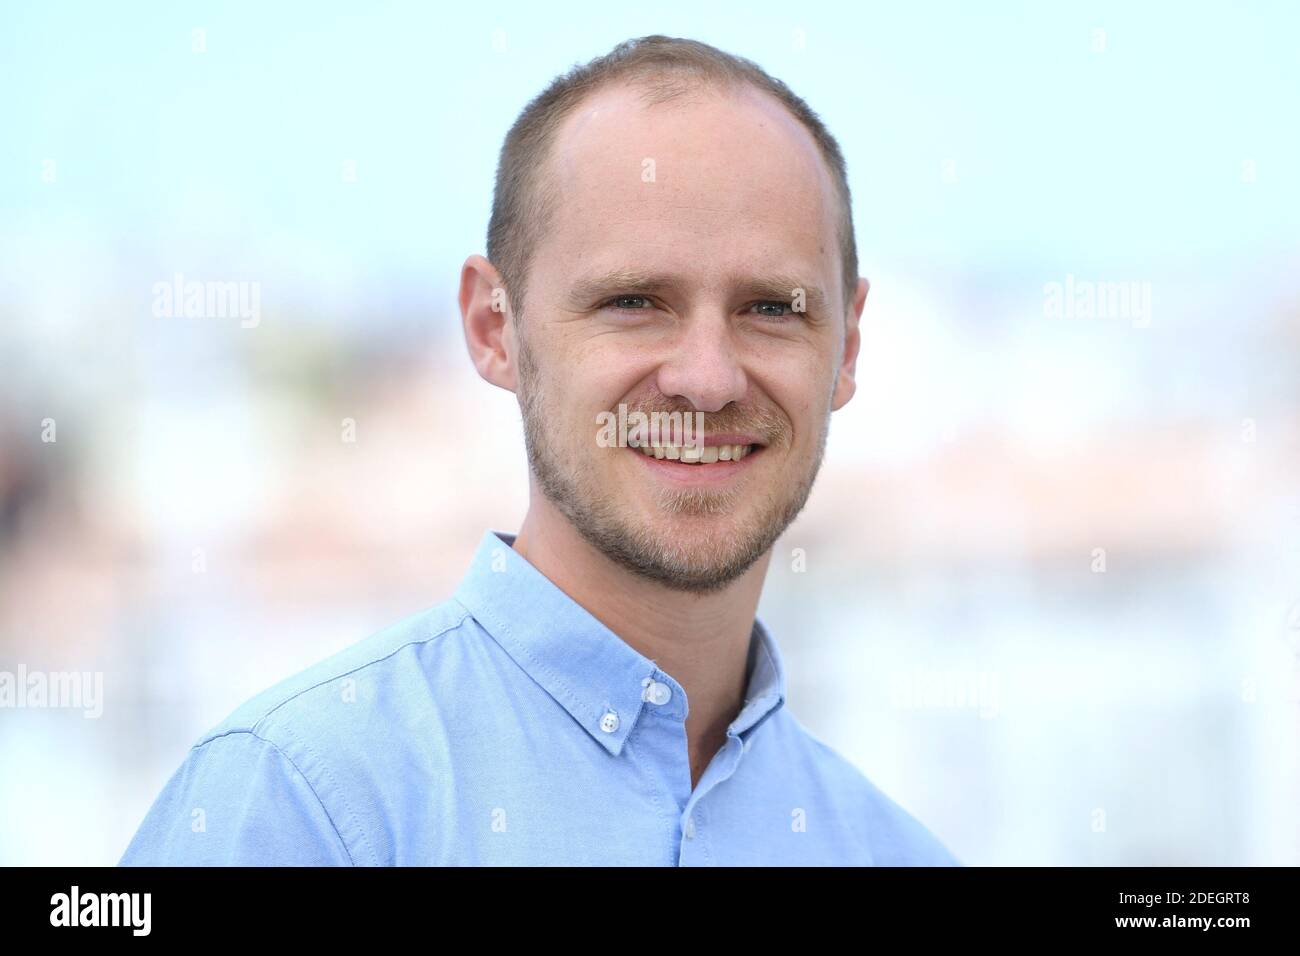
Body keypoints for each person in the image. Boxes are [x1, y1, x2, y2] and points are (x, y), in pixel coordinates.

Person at [120, 34, 959, 866]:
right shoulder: (300, 805)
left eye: (772, 308)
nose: (708, 380)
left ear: (846, 346)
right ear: (495, 328)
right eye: (634, 301)